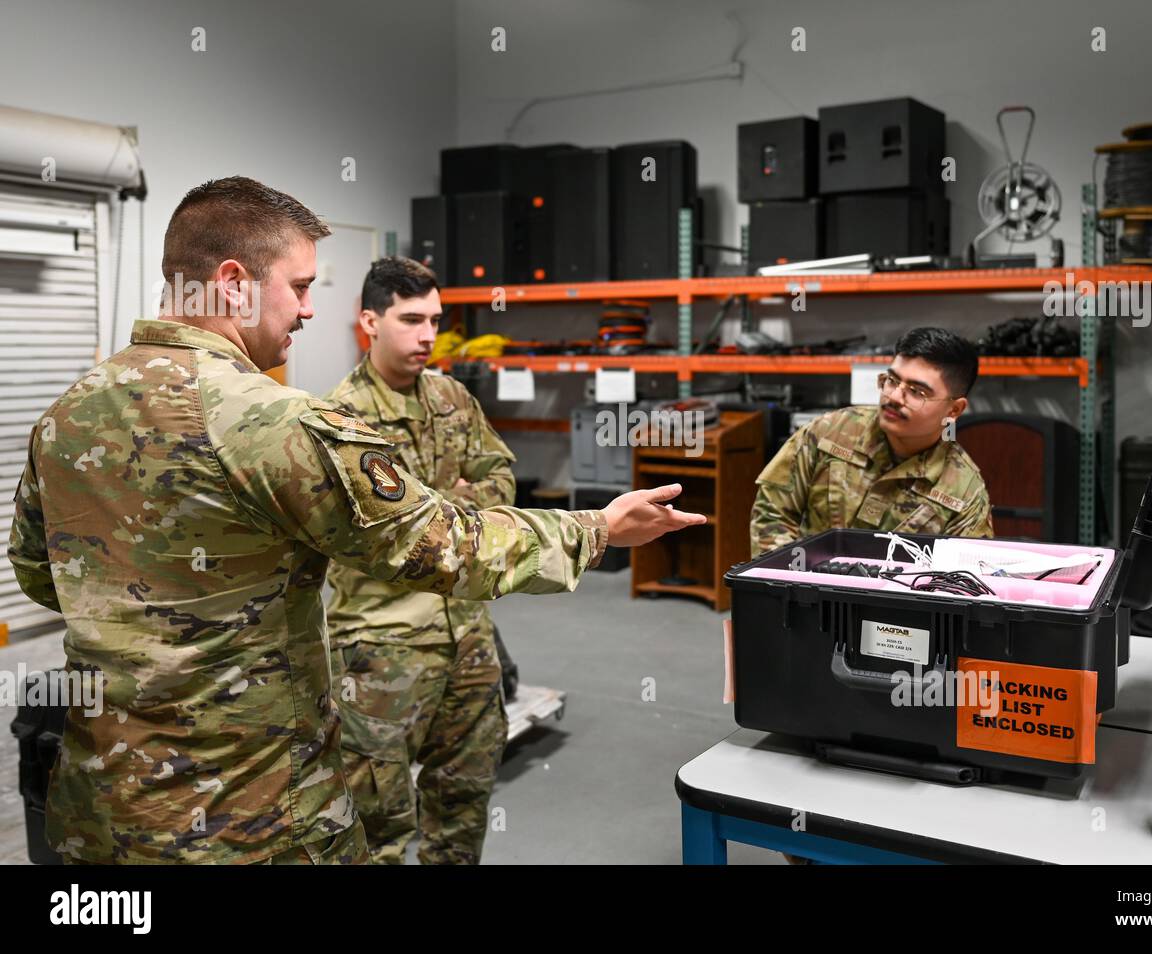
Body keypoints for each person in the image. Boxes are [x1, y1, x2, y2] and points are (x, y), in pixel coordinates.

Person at [7, 176, 704, 865]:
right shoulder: (270, 420)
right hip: (249, 815)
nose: (311, 310)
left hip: (104, 812)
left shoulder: (68, 411)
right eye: (301, 286)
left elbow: (42, 577)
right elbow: (442, 545)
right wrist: (598, 528)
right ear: (232, 282)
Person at [324, 256, 513, 864]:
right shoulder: (339, 418)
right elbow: (382, 535)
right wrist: (448, 506)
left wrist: (450, 507)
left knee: (463, 806)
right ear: (369, 322)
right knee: (376, 826)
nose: (428, 335)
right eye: (411, 319)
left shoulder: (453, 397)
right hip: (384, 647)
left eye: (435, 319)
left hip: (469, 638)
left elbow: (502, 477)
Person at [750, 326, 994, 556]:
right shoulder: (829, 432)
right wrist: (794, 585)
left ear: (954, 410)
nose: (895, 397)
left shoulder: (965, 492)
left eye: (917, 392)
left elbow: (960, 581)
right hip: (803, 591)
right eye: (892, 380)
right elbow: (772, 515)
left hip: (895, 599)